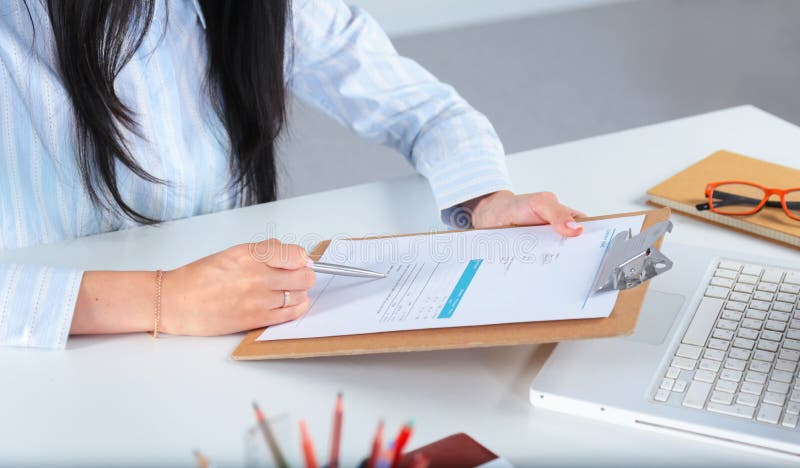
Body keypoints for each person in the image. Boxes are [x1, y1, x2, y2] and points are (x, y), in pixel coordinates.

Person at [0, 0, 584, 349]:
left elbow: (422, 107)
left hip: (228, 348)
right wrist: (164, 300)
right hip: (45, 367)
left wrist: (486, 198)